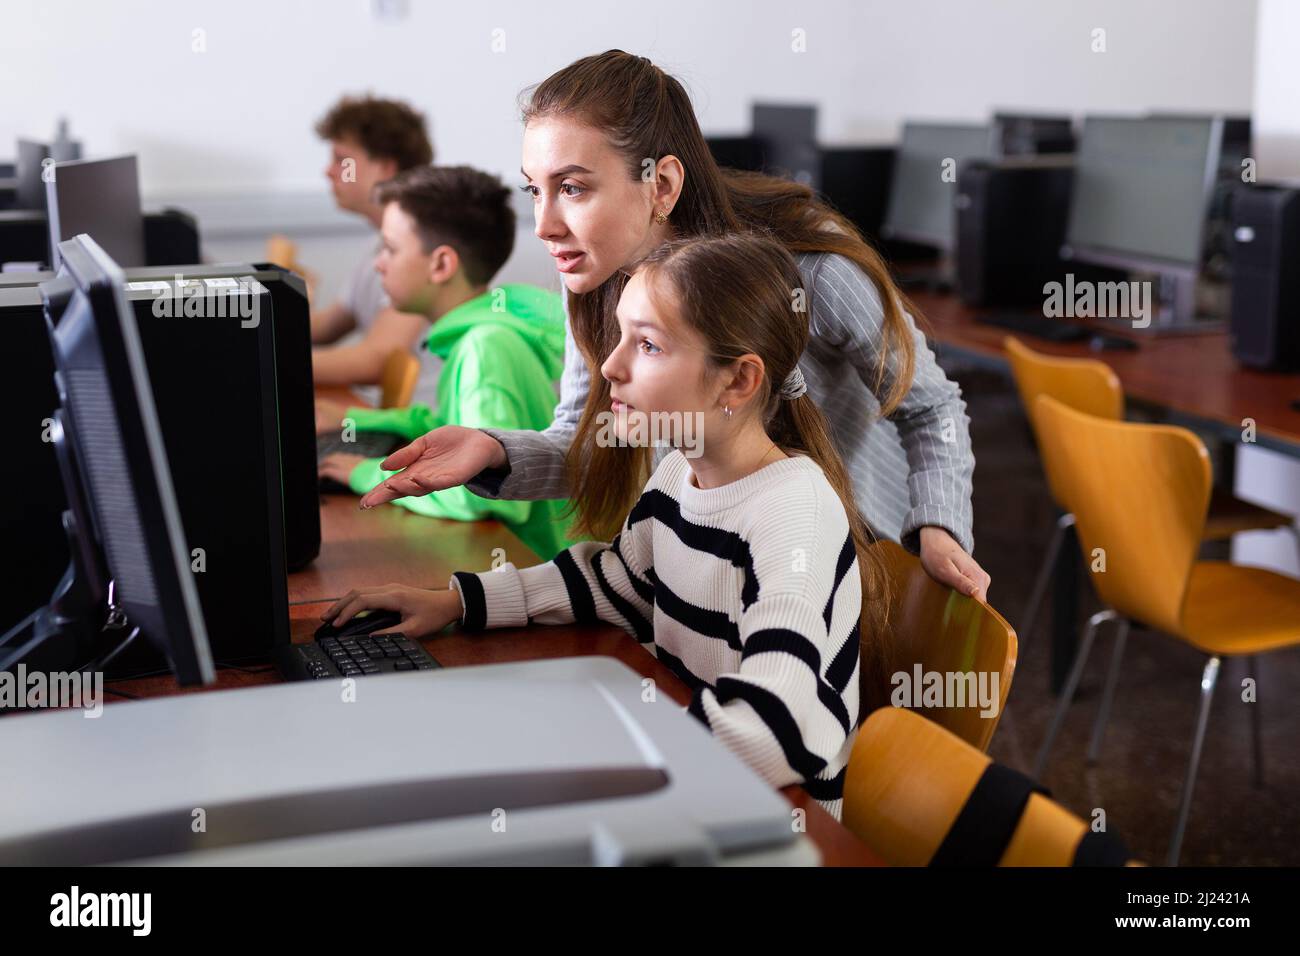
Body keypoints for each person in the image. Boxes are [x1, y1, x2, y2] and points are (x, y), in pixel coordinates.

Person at [358, 51, 992, 600]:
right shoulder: (599, 278)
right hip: (716, 565)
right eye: (534, 190)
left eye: (572, 189)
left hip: (851, 561)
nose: (544, 226)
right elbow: (599, 444)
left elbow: (929, 405)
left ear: (660, 184)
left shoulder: (812, 269)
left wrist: (937, 525)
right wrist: (492, 451)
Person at [324, 234, 883, 820]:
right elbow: (617, 585)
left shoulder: (792, 512)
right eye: (620, 337)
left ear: (738, 381)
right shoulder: (676, 474)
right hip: (693, 781)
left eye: (648, 345)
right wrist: (457, 601)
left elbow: (777, 730)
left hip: (769, 818)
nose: (611, 366)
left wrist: (603, 750)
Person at [317, 165, 575, 560]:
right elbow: (450, 429)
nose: (378, 264)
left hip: (529, 563)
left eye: (390, 249)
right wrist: (362, 419)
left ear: (441, 265)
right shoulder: (482, 332)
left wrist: (364, 474)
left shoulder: (485, 349)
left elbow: (486, 497)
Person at [311, 94, 433, 386]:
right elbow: (329, 326)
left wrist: (259, 364)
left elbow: (376, 361)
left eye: (342, 160)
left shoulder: (422, 246)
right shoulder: (380, 247)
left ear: (385, 168)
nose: (328, 171)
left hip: (423, 427)